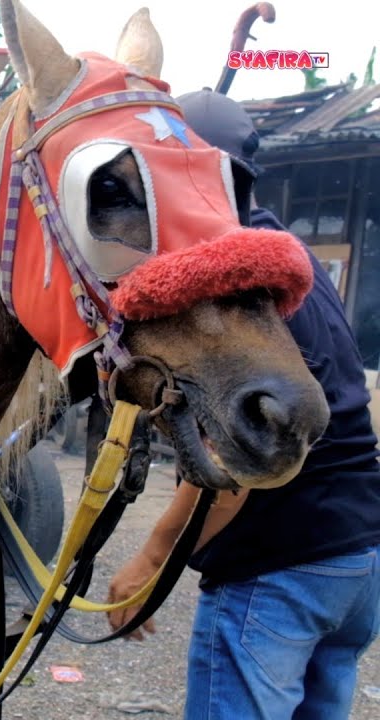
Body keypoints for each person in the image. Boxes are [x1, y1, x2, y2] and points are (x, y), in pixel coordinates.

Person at [106, 89, 380, 719]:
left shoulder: (233, 278)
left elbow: (240, 467)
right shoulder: (290, 255)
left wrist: (153, 559)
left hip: (283, 561)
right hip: (358, 551)